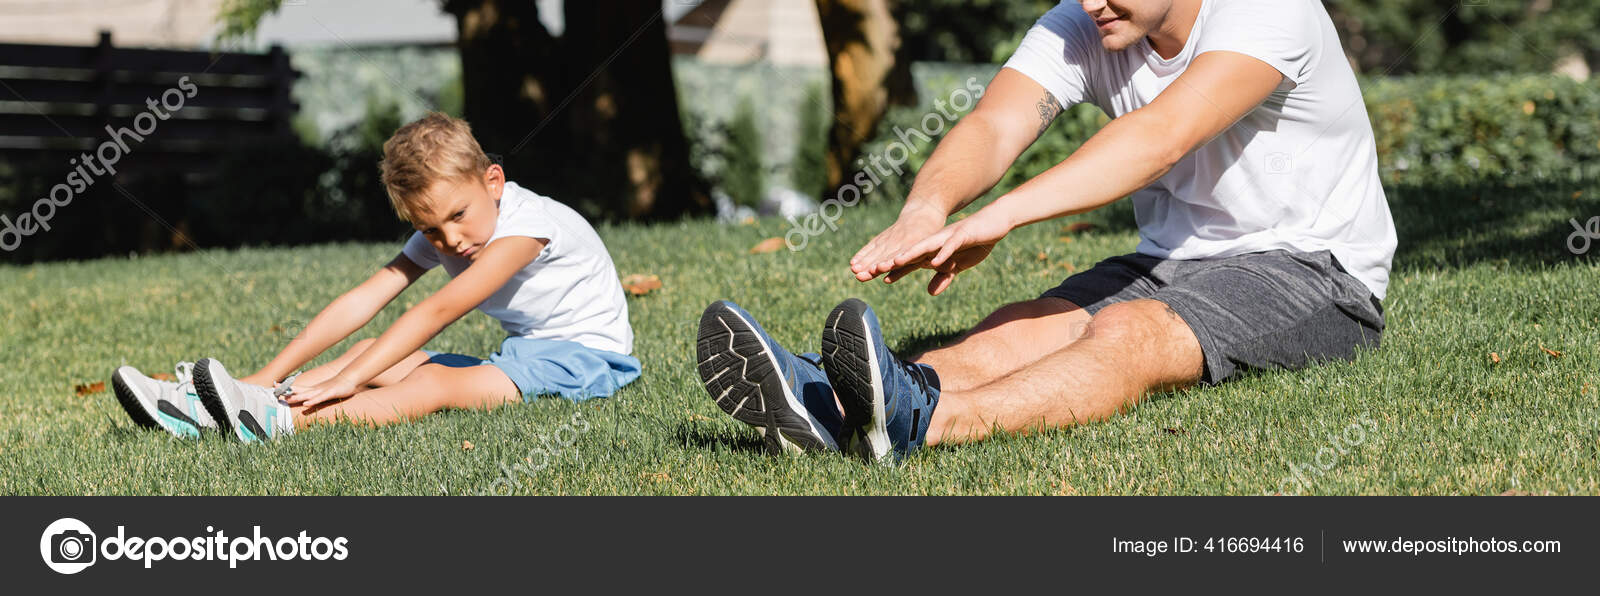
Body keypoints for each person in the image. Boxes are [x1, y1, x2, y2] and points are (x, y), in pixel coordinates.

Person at [696, 0, 1394, 462]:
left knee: (1129, 334)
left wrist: (1002, 213)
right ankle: (832, 404)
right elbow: (994, 126)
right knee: (1020, 327)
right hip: (1170, 259)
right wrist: (926, 209)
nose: (1091, 1)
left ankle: (920, 424)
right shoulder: (1085, 21)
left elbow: (1161, 137)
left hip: (1312, 268)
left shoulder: (1268, 11)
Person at [111, 113, 640, 442]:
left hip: (589, 363)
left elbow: (438, 310)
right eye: (429, 229)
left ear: (493, 181)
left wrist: (349, 382)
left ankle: (282, 423)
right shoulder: (447, 230)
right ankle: (231, 402)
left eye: (458, 215)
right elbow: (365, 299)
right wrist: (268, 374)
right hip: (525, 356)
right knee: (372, 351)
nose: (451, 241)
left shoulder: (528, 228)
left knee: (430, 382)